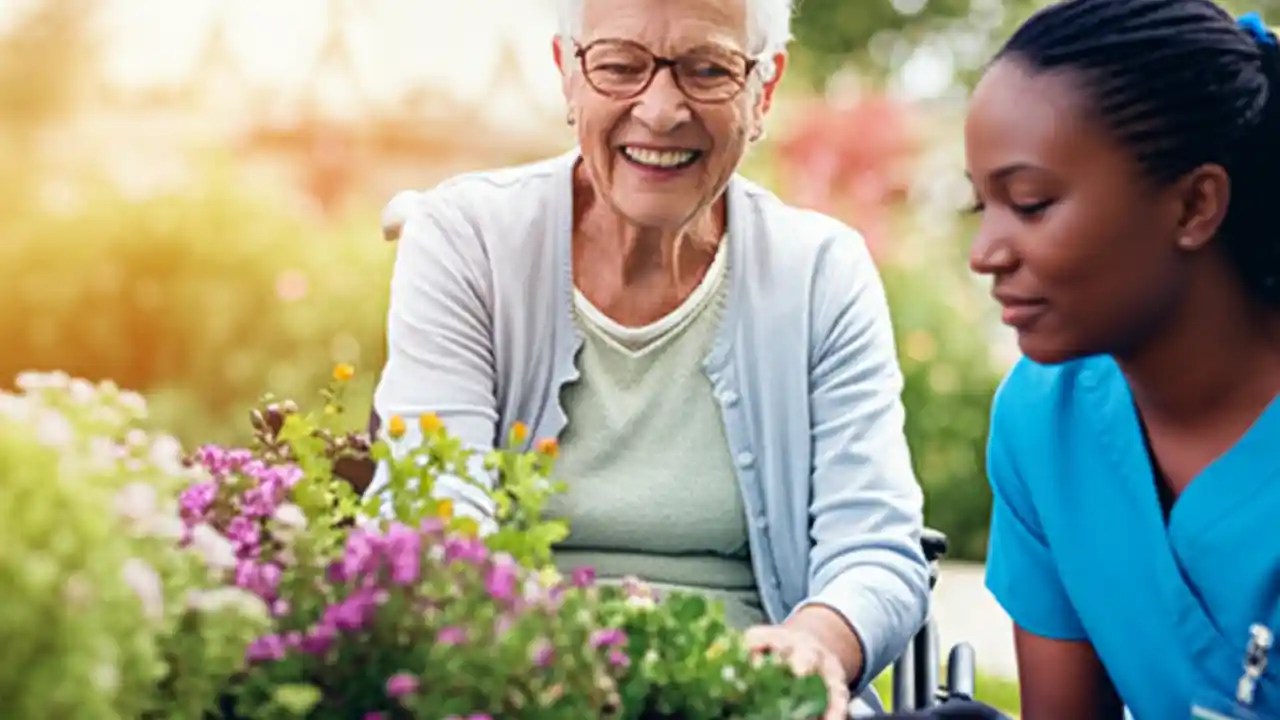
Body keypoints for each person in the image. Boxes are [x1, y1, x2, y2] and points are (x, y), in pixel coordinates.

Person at [365, 0, 931, 716]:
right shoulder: (466, 241)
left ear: (764, 89)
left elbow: (876, 548)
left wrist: (812, 643)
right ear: (568, 74)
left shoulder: (821, 272)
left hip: (743, 692)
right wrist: (540, 651)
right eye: (619, 66)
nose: (660, 110)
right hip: (514, 676)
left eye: (707, 69)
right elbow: (432, 505)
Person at [965, 0, 1280, 718]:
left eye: (1032, 202)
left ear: (1194, 205)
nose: (984, 253)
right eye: (978, 206)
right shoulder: (1043, 422)